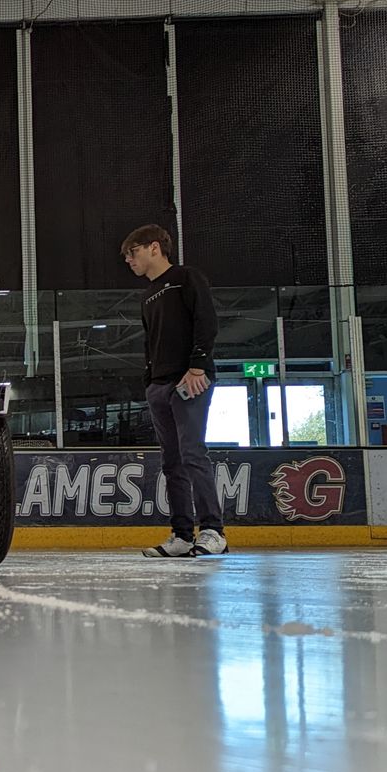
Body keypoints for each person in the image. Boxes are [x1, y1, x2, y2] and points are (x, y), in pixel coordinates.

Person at [121, 224, 227, 559]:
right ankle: (182, 534)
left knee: (193, 453)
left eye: (132, 253)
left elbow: (205, 321)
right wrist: (151, 381)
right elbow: (151, 341)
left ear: (154, 247)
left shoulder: (186, 278)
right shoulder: (147, 295)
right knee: (172, 462)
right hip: (160, 386)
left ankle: (213, 531)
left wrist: (197, 366)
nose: (128, 260)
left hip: (189, 380)